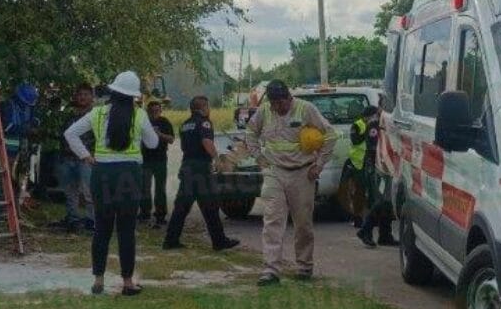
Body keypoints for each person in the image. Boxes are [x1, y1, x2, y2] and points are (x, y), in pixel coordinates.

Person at [64, 71, 159, 296]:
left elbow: (70, 133)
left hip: (102, 173)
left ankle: (98, 280)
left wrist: (86, 156)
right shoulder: (139, 115)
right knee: (126, 230)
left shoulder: (97, 114)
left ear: (114, 91)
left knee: (102, 229)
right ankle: (127, 282)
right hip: (129, 175)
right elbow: (153, 144)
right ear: (133, 96)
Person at [245, 79, 336, 286]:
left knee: (303, 223)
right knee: (272, 221)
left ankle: (304, 266)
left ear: (288, 97)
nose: (278, 107)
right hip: (274, 172)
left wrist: (319, 165)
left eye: (280, 103)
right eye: (274, 103)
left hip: (302, 173)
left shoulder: (306, 109)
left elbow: (330, 135)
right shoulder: (265, 111)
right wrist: (259, 158)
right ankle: (271, 270)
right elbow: (250, 133)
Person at [162, 96, 240, 251]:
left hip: (187, 166)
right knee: (211, 205)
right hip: (200, 168)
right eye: (208, 106)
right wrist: (217, 159)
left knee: (181, 207)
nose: (209, 109)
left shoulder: (185, 125)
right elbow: (206, 142)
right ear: (202, 107)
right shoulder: (204, 122)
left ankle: (170, 240)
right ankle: (219, 241)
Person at [353, 107, 395, 247]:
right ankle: (366, 230)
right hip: (378, 165)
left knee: (387, 202)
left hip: (389, 165)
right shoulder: (374, 123)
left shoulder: (387, 120)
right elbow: (373, 147)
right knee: (381, 200)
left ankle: (385, 235)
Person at [58, 83, 96, 232]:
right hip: (68, 158)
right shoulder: (69, 115)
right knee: (70, 191)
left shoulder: (95, 116)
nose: (82, 97)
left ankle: (92, 221)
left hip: (86, 158)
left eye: (86, 94)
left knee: (89, 192)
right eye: (80, 94)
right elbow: (63, 136)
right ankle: (72, 219)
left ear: (92, 97)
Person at [0, 83, 40, 206]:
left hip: (24, 146)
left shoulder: (29, 107)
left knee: (20, 178)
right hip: (9, 147)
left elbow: (35, 119)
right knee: (7, 177)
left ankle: (16, 205)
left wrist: (34, 125)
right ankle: (3, 206)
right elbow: (7, 127)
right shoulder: (8, 106)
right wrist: (25, 129)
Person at [140, 100, 174, 227]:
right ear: (147, 111)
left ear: (160, 110)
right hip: (145, 159)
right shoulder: (143, 122)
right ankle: (144, 212)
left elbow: (171, 140)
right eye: (152, 111)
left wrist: (159, 134)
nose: (155, 113)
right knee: (144, 187)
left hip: (160, 159)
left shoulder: (165, 122)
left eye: (157, 110)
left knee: (160, 188)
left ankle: (160, 214)